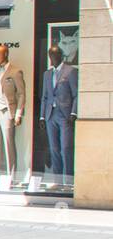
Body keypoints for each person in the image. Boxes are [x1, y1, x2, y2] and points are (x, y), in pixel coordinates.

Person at [40, 45, 79, 187]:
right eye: (50, 55)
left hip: (65, 116)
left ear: (61, 56)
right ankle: (57, 182)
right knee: (54, 149)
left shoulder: (71, 71)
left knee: (66, 149)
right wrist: (42, 117)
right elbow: (44, 97)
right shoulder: (47, 74)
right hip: (51, 116)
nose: (52, 58)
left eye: (55, 55)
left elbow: (76, 95)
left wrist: (74, 113)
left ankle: (69, 182)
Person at [0, 44, 26, 184]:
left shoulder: (15, 71)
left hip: (8, 112)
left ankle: (11, 178)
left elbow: (21, 94)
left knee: (9, 144)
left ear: (6, 54)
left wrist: (18, 114)